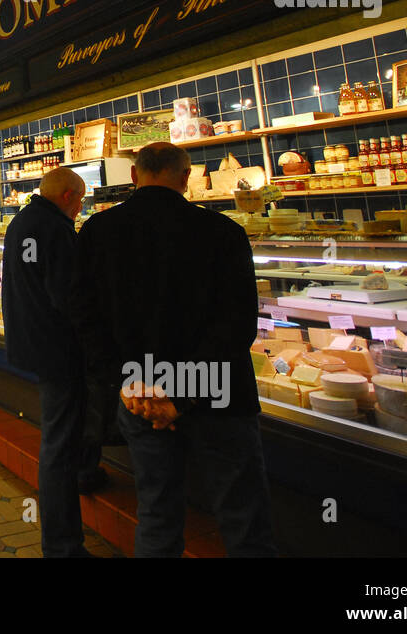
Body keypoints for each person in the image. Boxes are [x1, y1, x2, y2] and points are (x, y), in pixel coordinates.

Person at [75, 142, 277, 557]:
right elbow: (237, 326)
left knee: (157, 512)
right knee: (244, 517)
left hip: (141, 393)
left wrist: (127, 382)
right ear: (185, 178)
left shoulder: (98, 231)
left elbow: (84, 319)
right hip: (219, 395)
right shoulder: (224, 231)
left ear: (134, 176)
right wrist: (183, 395)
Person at [1, 167, 94, 558]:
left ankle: (88, 473)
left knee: (64, 436)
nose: (80, 209)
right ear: (70, 197)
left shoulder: (21, 220)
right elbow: (67, 296)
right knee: (58, 445)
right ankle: (62, 545)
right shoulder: (56, 228)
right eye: (81, 201)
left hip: (32, 342)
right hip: (58, 350)